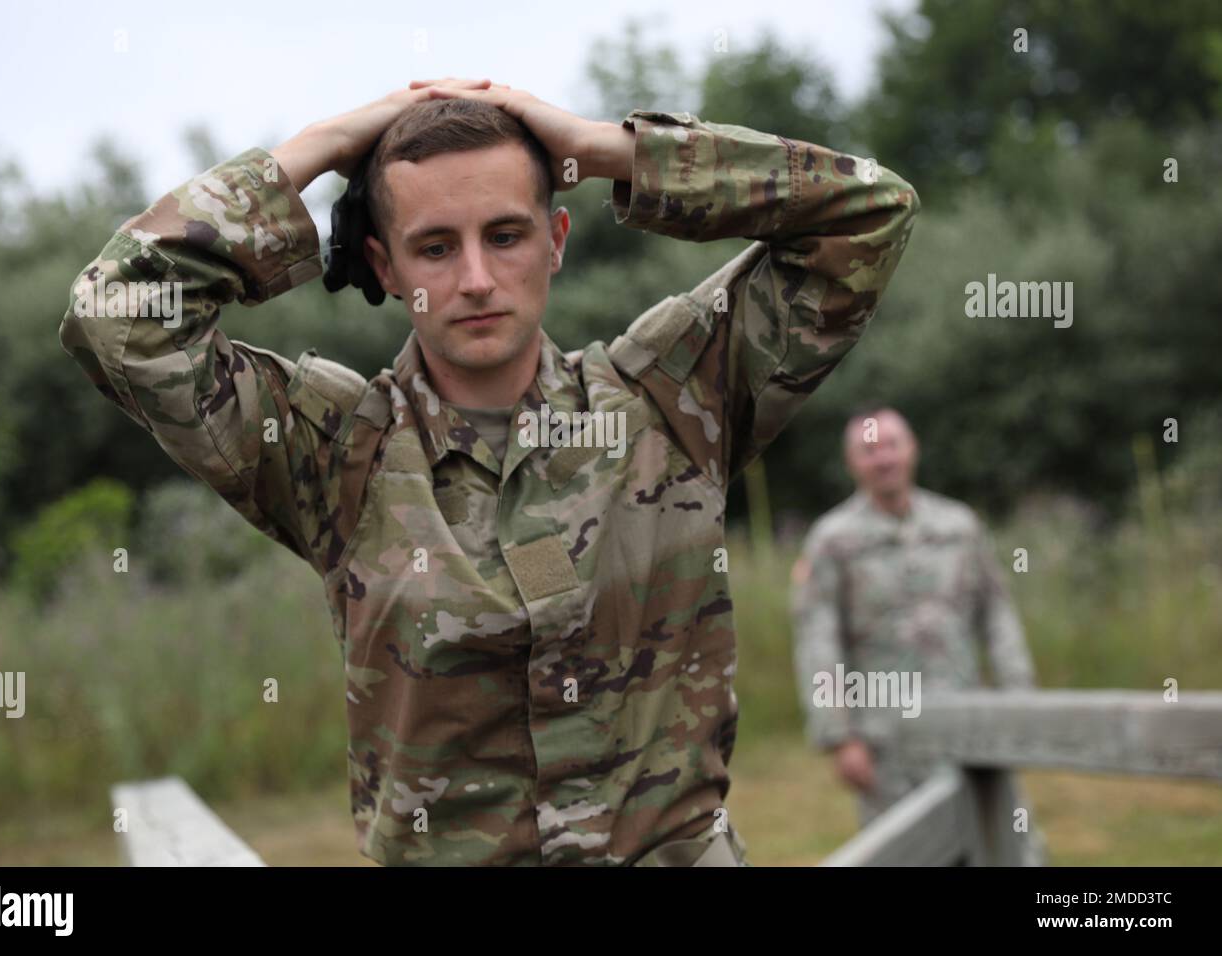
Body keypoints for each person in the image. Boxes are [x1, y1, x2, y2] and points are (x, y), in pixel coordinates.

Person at [60, 78, 919, 866]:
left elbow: (868, 212)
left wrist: (613, 150)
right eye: (435, 247)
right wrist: (323, 146)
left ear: (555, 240)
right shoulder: (332, 452)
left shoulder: (674, 399)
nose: (475, 280)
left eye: (504, 235)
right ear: (386, 265)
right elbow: (116, 312)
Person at [791, 407, 1039, 833]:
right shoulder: (833, 540)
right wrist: (839, 735)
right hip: (887, 738)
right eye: (869, 450)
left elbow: (997, 615)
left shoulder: (959, 526)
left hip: (968, 725)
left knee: (1005, 844)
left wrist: (1019, 697)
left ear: (912, 449)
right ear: (852, 462)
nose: (883, 458)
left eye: (892, 445)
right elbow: (819, 641)